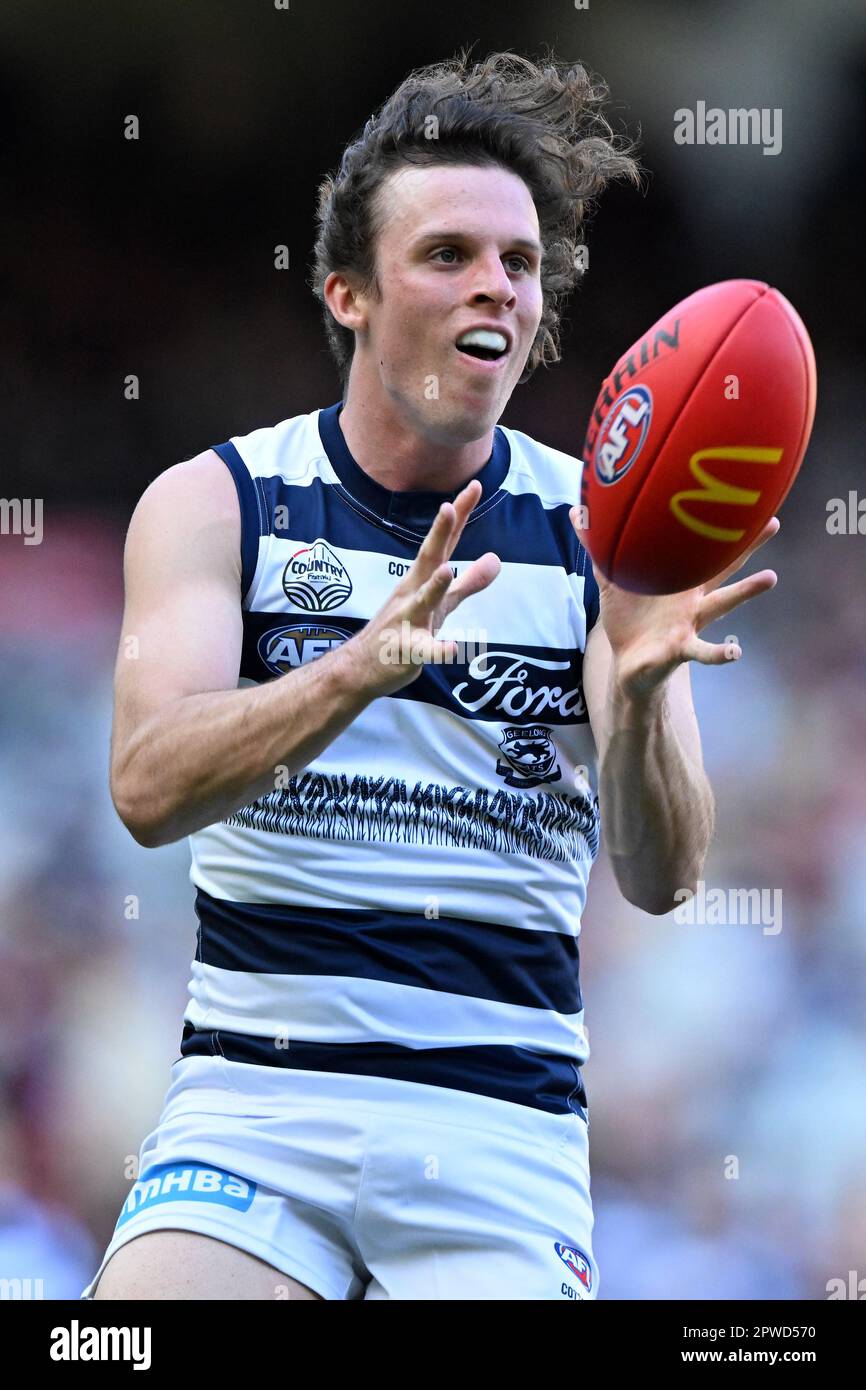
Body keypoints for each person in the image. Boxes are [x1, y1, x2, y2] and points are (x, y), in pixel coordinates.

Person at [84, 50, 778, 1300]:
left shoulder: (607, 535)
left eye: (518, 263)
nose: (496, 288)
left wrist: (629, 701)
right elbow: (144, 786)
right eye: (447, 253)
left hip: (495, 1133)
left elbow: (665, 877)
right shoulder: (215, 504)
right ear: (346, 292)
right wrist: (355, 669)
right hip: (254, 1111)